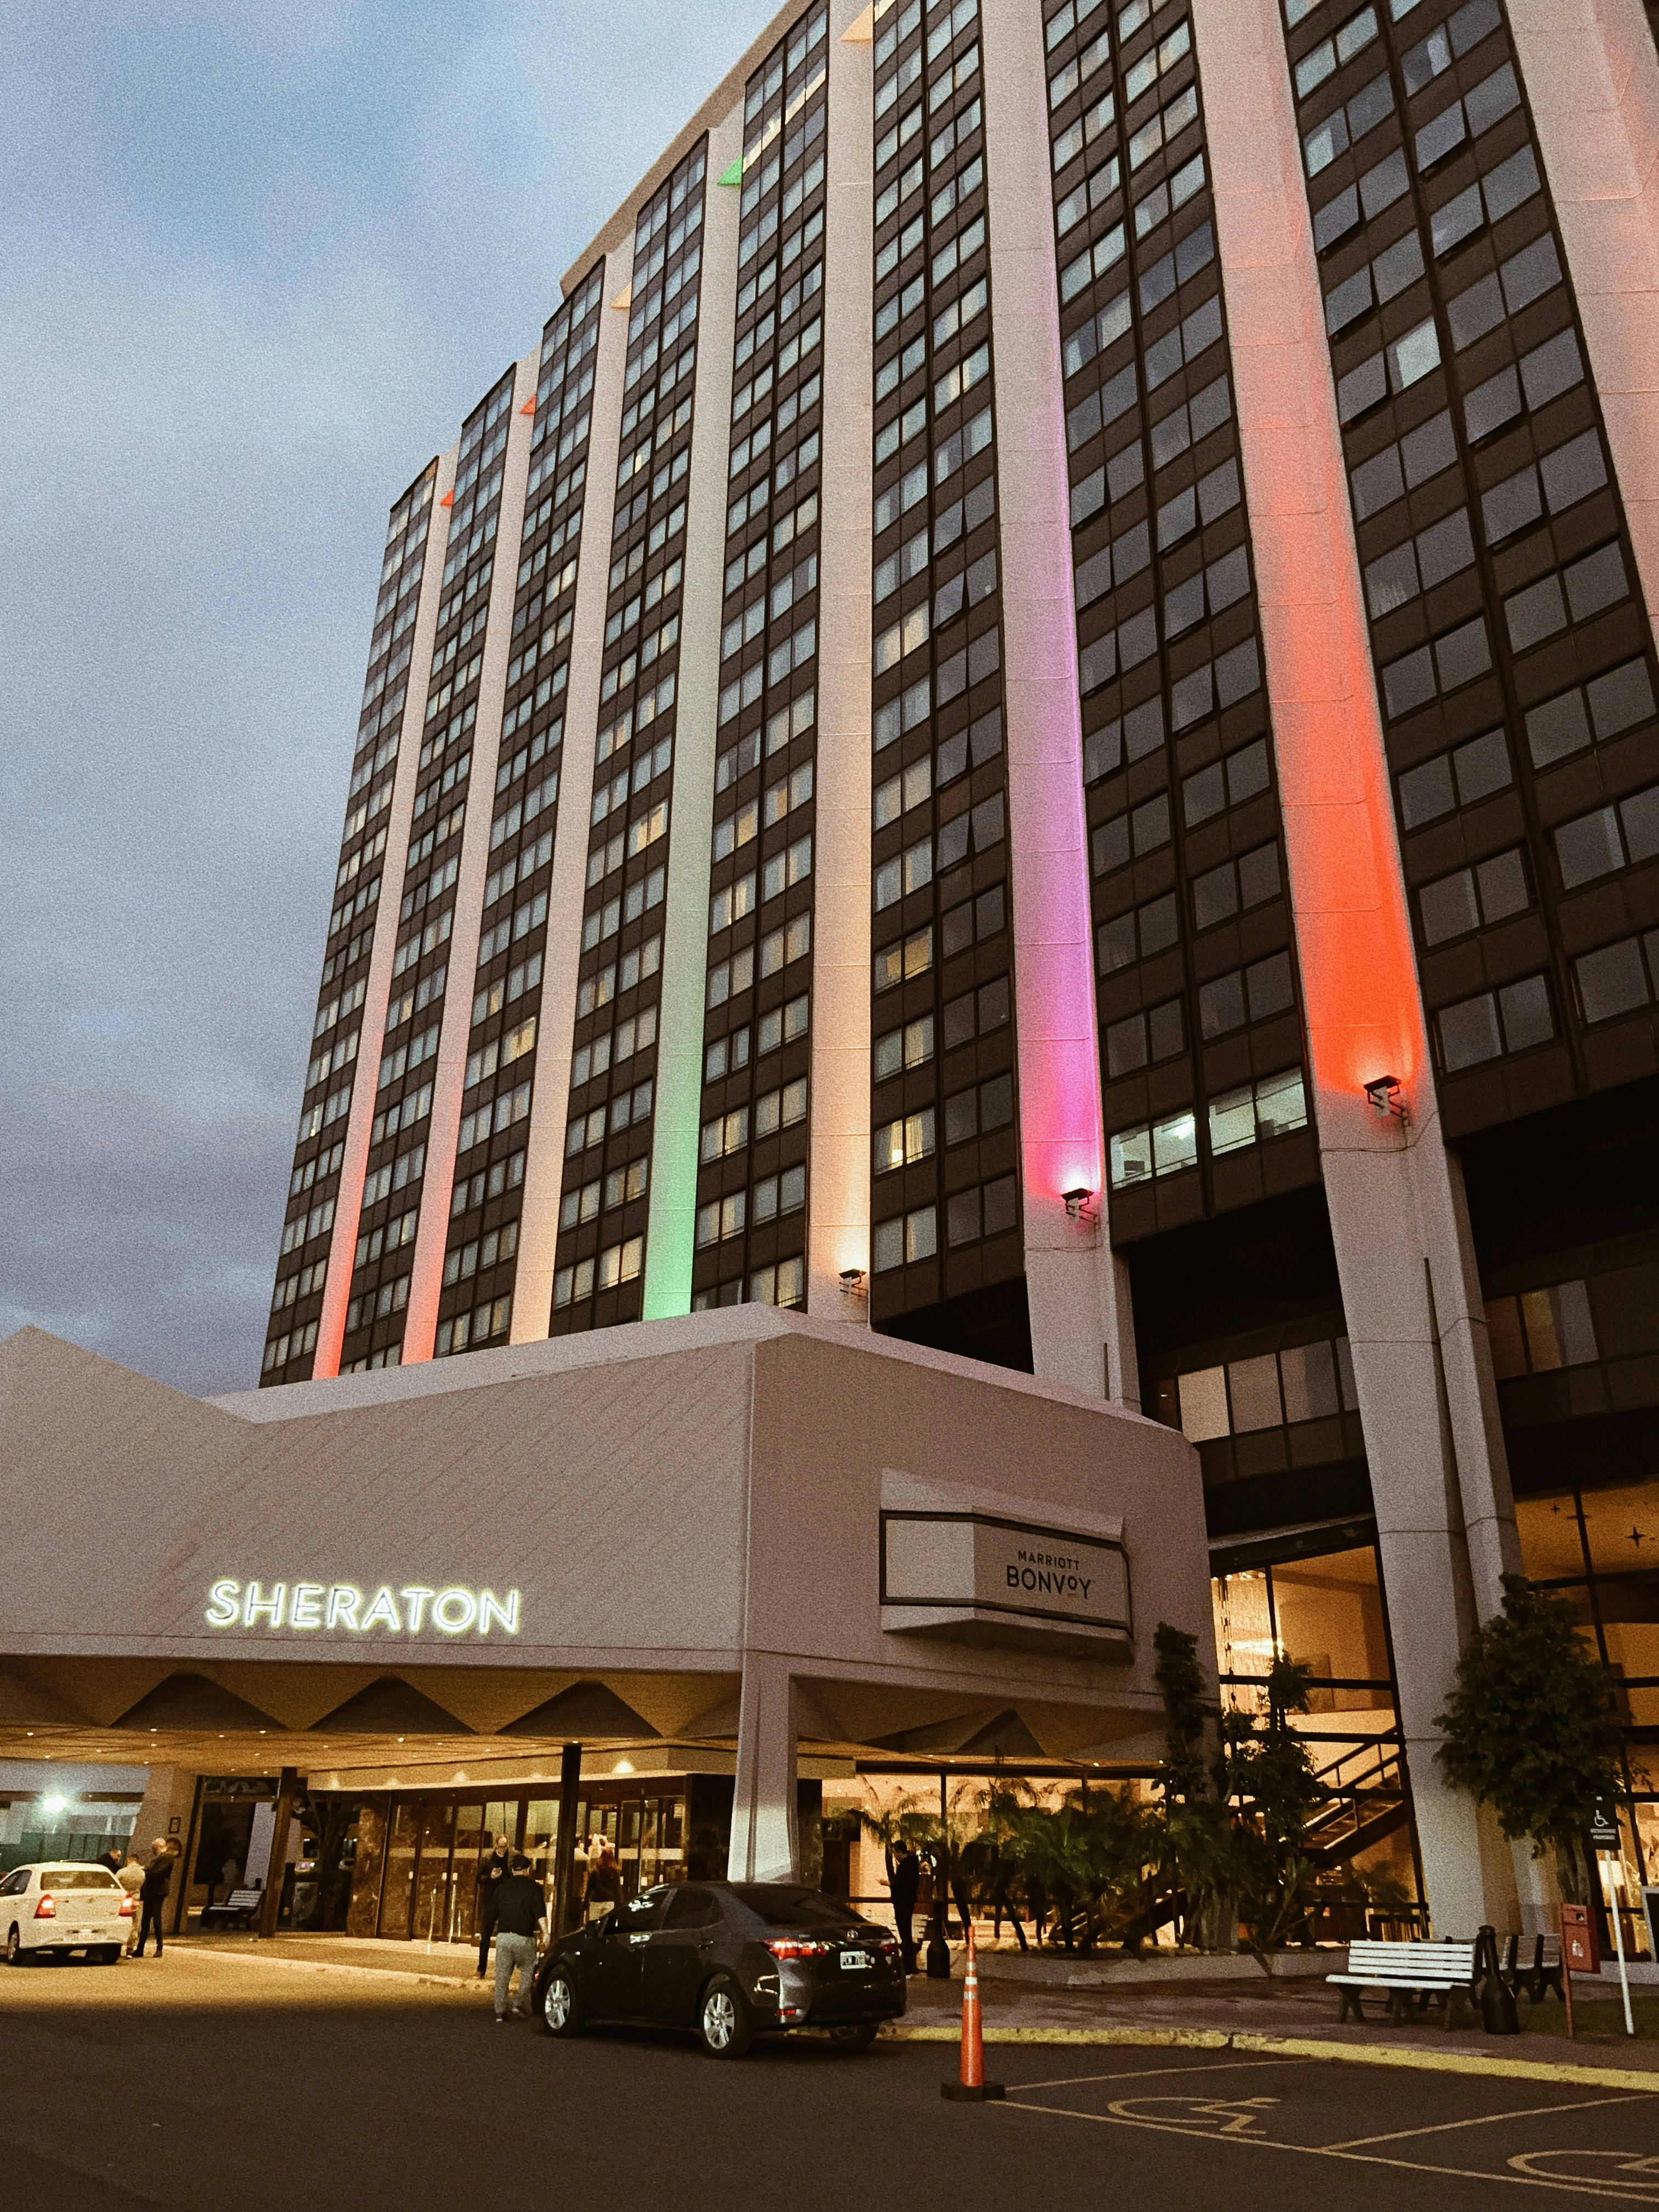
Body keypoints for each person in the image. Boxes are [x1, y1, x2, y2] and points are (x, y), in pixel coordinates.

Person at [490, 1853, 545, 2023]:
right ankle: (518, 2002)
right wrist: (546, 1933)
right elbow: (540, 1914)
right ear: (528, 1870)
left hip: (504, 1937)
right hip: (524, 1938)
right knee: (529, 1969)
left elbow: (492, 1912)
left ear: (513, 1871)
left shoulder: (502, 1887)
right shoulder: (534, 1888)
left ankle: (500, 2012)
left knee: (502, 1975)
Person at [475, 1833, 512, 1979]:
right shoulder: (488, 1859)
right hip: (491, 1901)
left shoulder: (511, 1858)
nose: (503, 1849)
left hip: (505, 1902)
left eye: (506, 1846)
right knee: (486, 1936)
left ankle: (503, 1970)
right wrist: (490, 1877)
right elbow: (479, 1878)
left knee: (504, 1938)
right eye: (501, 1847)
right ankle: (481, 1968)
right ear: (496, 1846)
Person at [133, 1839, 173, 1957]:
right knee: (146, 1920)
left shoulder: (167, 1858)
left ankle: (159, 1947)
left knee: (156, 1919)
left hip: (158, 1891)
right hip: (151, 1891)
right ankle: (141, 1948)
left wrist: (144, 1871)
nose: (153, 1851)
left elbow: (157, 1872)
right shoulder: (162, 1858)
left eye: (154, 1849)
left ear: (160, 1847)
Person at [887, 1842, 921, 1974]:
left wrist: (890, 1884)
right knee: (906, 1933)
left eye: (895, 1853)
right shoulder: (913, 1866)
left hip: (902, 1903)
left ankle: (907, 1967)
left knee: (905, 1933)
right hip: (908, 1902)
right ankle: (908, 1966)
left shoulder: (905, 1867)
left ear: (900, 1852)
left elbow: (901, 1885)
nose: (895, 1856)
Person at [116, 1852, 146, 1955]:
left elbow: (116, 1884)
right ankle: (130, 1950)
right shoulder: (142, 1873)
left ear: (129, 1861)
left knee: (120, 1922)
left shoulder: (122, 1872)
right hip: (135, 1900)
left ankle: (118, 1948)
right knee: (134, 1924)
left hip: (123, 1900)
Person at [584, 1841, 619, 1922]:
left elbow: (589, 1889)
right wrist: (619, 1903)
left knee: (593, 1924)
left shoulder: (596, 1872)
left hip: (596, 1901)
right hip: (609, 1901)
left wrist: (586, 1903)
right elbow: (617, 1889)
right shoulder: (615, 1872)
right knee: (605, 1925)